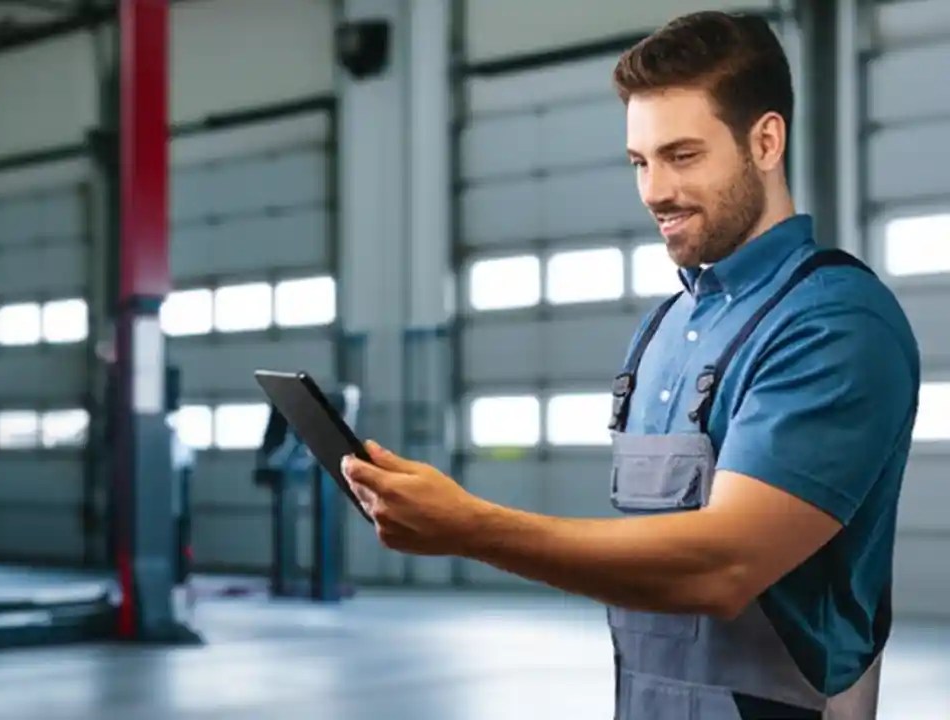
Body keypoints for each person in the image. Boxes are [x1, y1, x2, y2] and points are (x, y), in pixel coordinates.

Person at [341, 10, 920, 719]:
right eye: (640, 162)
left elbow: (723, 565)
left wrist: (469, 527)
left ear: (765, 141)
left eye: (682, 156)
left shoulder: (834, 322)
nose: (653, 192)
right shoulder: (665, 328)